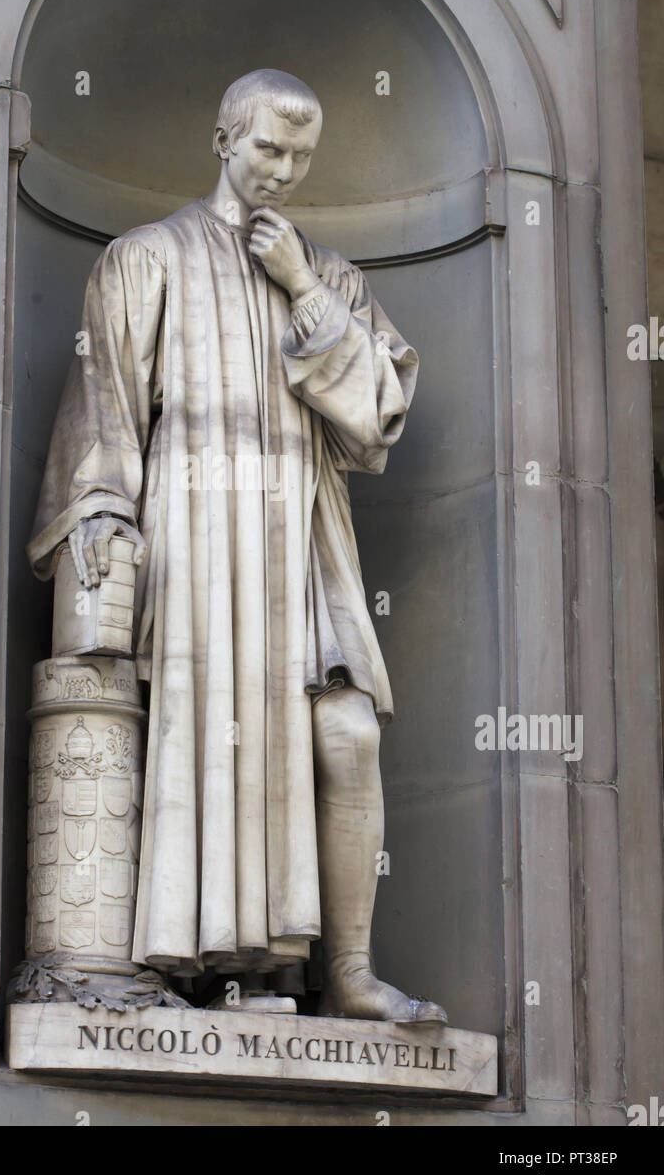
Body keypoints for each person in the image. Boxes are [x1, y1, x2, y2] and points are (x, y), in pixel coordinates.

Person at [28, 69, 446, 1022]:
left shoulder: (331, 276)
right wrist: (100, 510)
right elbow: (105, 415)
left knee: (348, 732)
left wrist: (301, 286)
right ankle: (205, 965)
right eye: (268, 148)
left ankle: (346, 971)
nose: (284, 170)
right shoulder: (148, 258)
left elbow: (375, 421)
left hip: (303, 533)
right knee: (203, 739)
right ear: (224, 139)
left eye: (302, 155)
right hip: (194, 535)